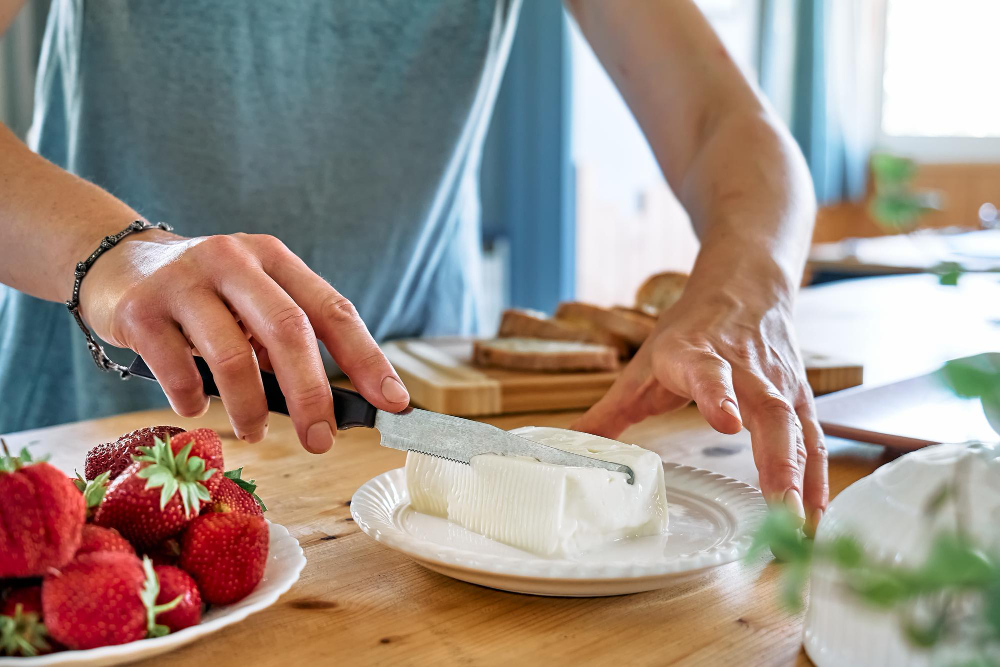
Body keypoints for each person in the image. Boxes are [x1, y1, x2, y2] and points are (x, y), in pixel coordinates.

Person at [0, 0, 826, 533]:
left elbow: (727, 121)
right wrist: (124, 254)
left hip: (408, 451)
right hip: (93, 417)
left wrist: (748, 286)